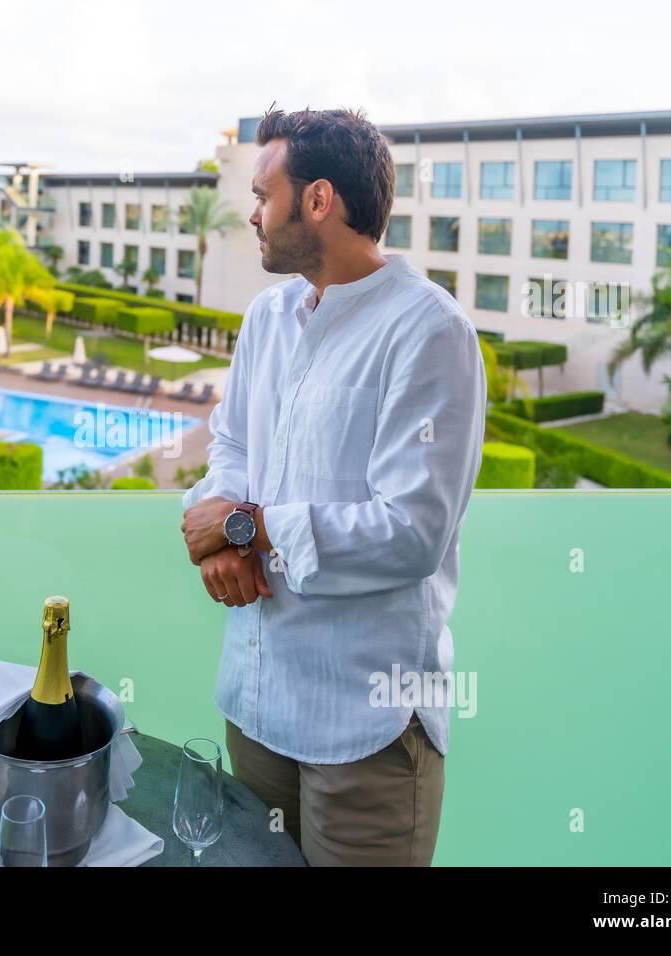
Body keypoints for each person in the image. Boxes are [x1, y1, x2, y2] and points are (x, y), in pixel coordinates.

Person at [179, 106, 486, 866]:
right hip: (255, 703)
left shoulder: (429, 331)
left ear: (319, 200)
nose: (252, 214)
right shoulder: (269, 316)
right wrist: (225, 536)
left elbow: (411, 533)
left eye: (264, 195)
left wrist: (243, 526)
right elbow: (234, 442)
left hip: (364, 729)